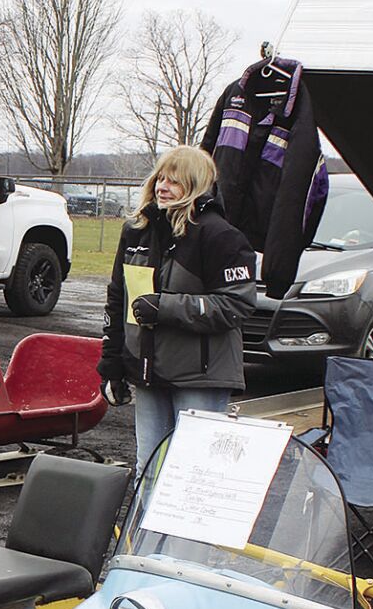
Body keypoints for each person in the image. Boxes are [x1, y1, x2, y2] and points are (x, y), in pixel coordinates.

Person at [97, 145, 258, 469]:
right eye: (160, 178)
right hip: (148, 372)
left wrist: (167, 308)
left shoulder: (221, 236)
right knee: (149, 467)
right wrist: (112, 366)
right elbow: (118, 299)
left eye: (174, 181)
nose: (162, 187)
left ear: (196, 185)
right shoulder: (137, 231)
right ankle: (145, 522)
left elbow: (237, 303)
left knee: (194, 471)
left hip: (201, 376)